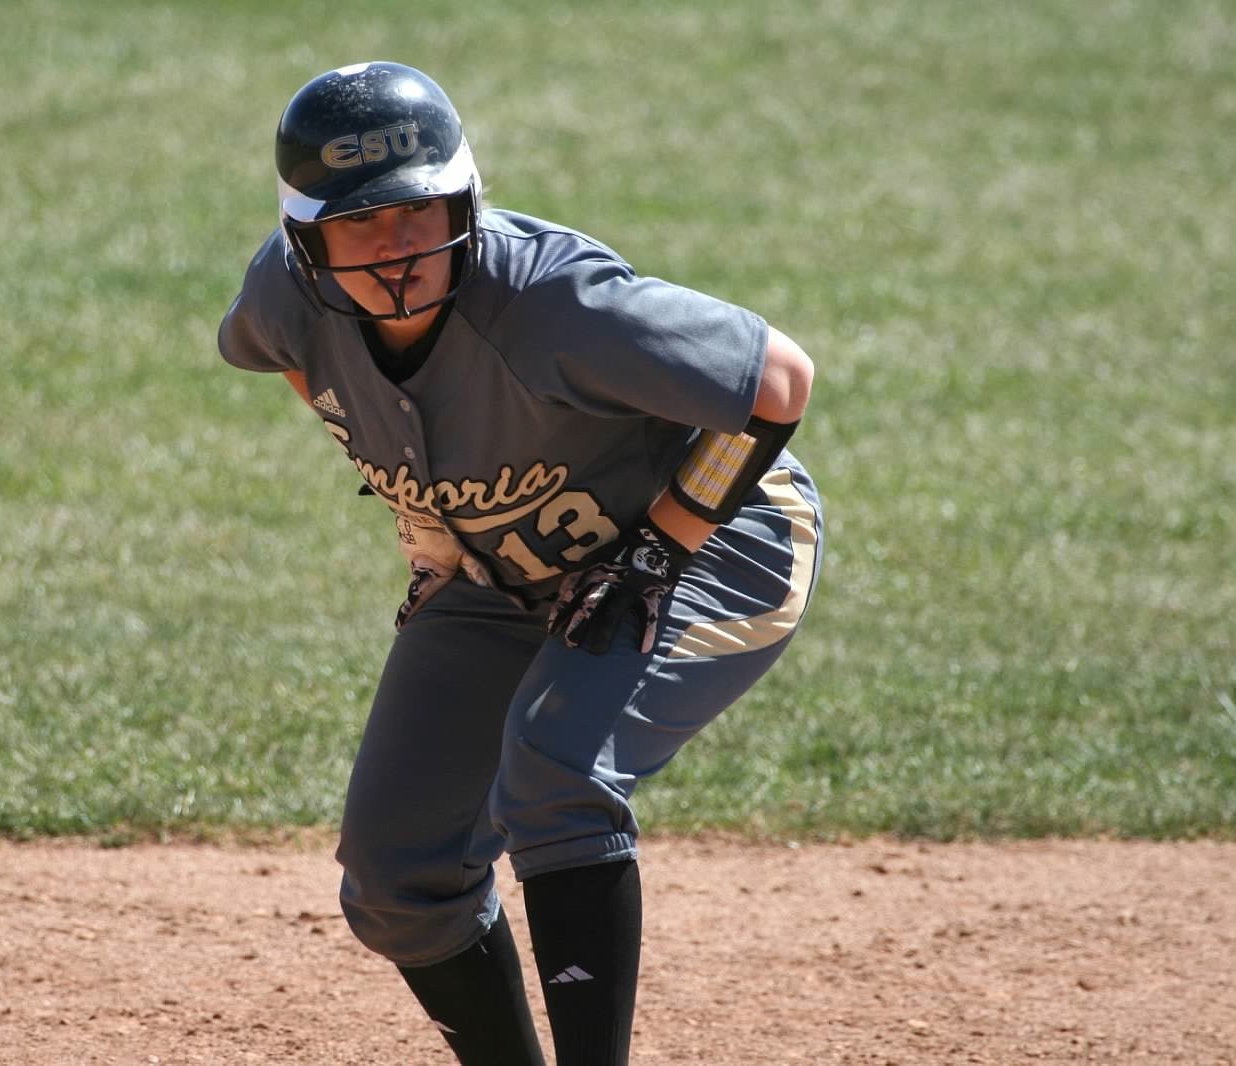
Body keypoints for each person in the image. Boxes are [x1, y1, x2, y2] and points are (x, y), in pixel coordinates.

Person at [218, 60, 823, 1066]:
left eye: (422, 213)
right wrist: (422, 516)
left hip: (718, 541)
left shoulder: (553, 303)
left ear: (465, 199)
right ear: (303, 239)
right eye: (360, 224)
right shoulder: (286, 298)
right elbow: (295, 360)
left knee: (553, 769)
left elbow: (776, 379)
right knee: (396, 871)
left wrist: (658, 548)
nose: (398, 249)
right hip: (507, 566)